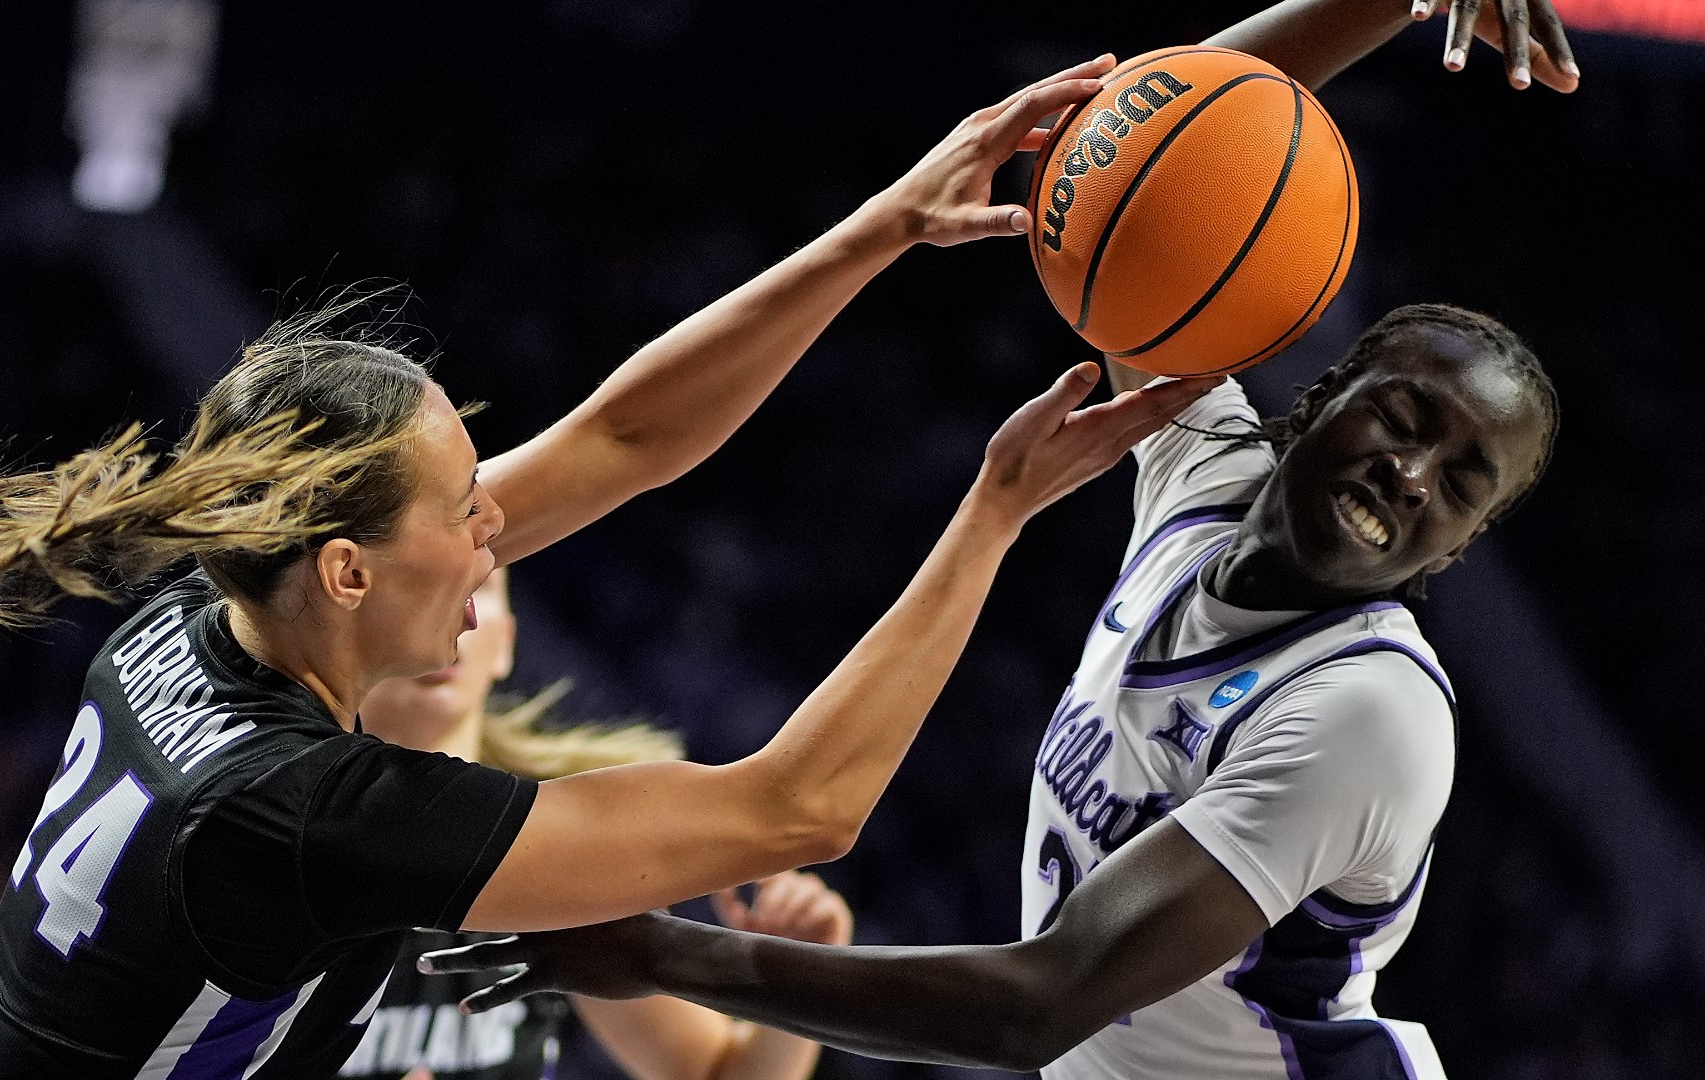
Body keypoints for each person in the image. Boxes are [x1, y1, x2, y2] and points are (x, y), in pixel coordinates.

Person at [0, 52, 1219, 1079]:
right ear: (346, 573)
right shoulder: (313, 809)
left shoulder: (213, 603)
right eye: (462, 512)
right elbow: (796, 811)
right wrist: (998, 505)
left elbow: (622, 438)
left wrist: (881, 228)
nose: (496, 535)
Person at [416, 3, 1575, 1079]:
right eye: (1405, 419)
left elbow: (1042, 999)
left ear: (1456, 548)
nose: (1411, 474)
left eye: (1462, 483)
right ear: (1318, 398)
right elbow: (1171, 153)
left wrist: (669, 956)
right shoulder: (1208, 474)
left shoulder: (1370, 711)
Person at [341, 570, 853, 1080]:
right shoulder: (278, 825)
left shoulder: (563, 853)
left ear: (506, 644)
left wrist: (799, 975)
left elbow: (717, 1073)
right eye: (414, 584)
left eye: (478, 586)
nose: (452, 612)